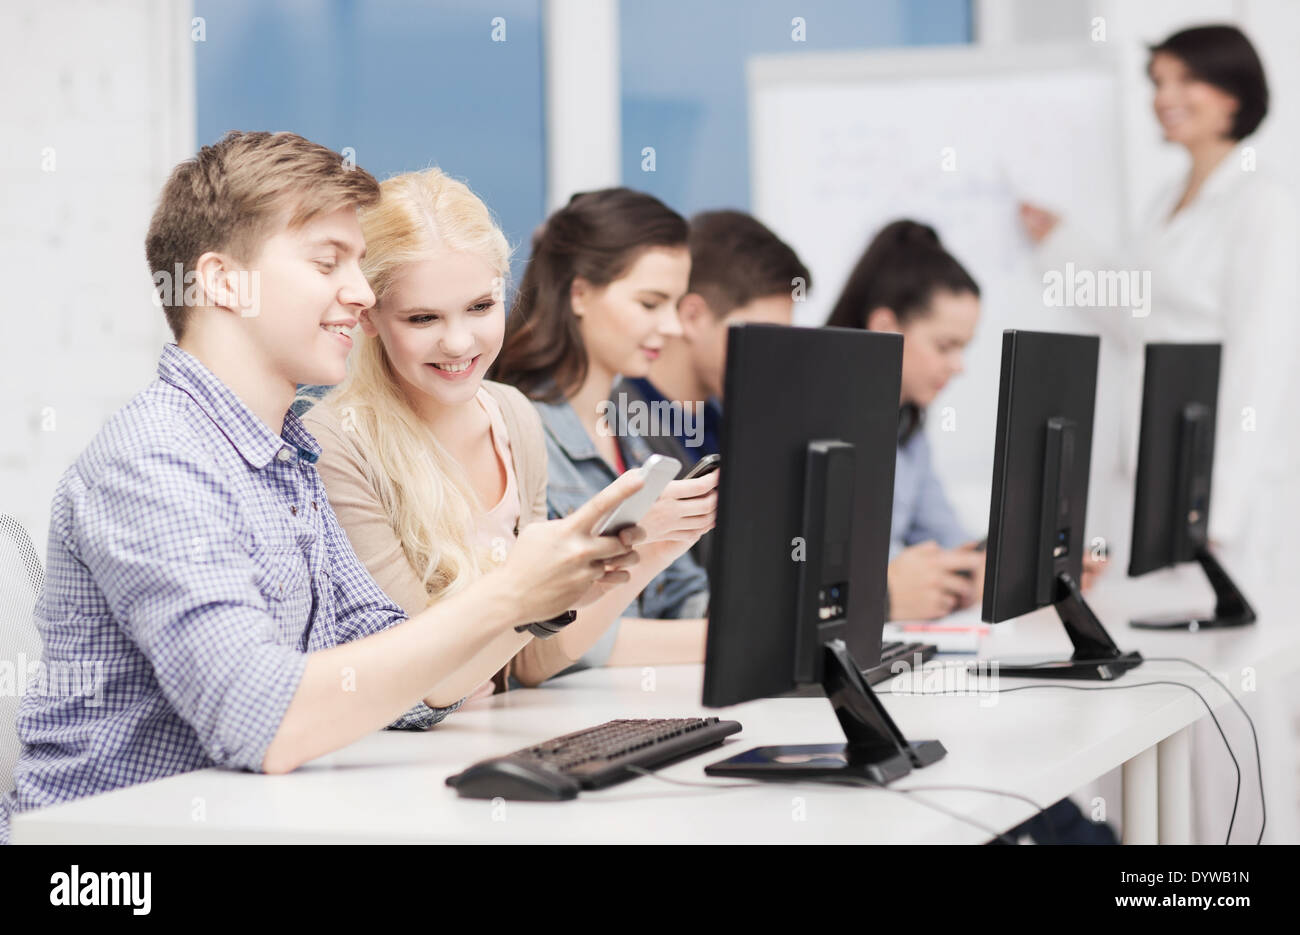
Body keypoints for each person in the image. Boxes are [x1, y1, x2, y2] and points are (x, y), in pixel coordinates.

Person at [0, 132, 649, 844]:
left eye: (360, 264)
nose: (363, 294)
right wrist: (508, 594)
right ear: (222, 281)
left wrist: (540, 593)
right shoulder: (156, 461)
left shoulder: (284, 455)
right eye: (327, 262)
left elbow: (409, 689)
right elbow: (265, 723)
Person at [302, 169, 715, 688]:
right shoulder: (335, 445)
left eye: (480, 307)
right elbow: (418, 682)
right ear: (368, 317)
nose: (458, 343)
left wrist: (650, 547)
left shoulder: (513, 415)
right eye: (423, 319)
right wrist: (535, 589)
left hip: (500, 735)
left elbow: (531, 662)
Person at [1019, 24, 1299, 561]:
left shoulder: (1263, 205)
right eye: (1157, 81)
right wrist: (1059, 242)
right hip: (1150, 467)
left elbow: (1260, 363)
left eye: (1186, 80)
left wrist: (1217, 514)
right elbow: (1136, 319)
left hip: (1217, 491)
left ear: (1234, 93)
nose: (1164, 97)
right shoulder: (1168, 200)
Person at [493, 189, 718, 668]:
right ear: (579, 294)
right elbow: (552, 642)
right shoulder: (513, 426)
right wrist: (728, 643)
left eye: (676, 305)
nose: (674, 327)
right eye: (651, 303)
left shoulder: (633, 427)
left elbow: (679, 592)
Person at [616, 209, 811, 571]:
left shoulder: (725, 421)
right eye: (765, 336)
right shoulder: (623, 428)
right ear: (692, 317)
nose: (776, 359)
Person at [826, 220, 987, 620]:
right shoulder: (813, 422)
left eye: (963, 348)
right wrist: (885, 593)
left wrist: (985, 565)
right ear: (885, 327)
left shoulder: (908, 426)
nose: (958, 366)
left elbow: (945, 537)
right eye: (945, 345)